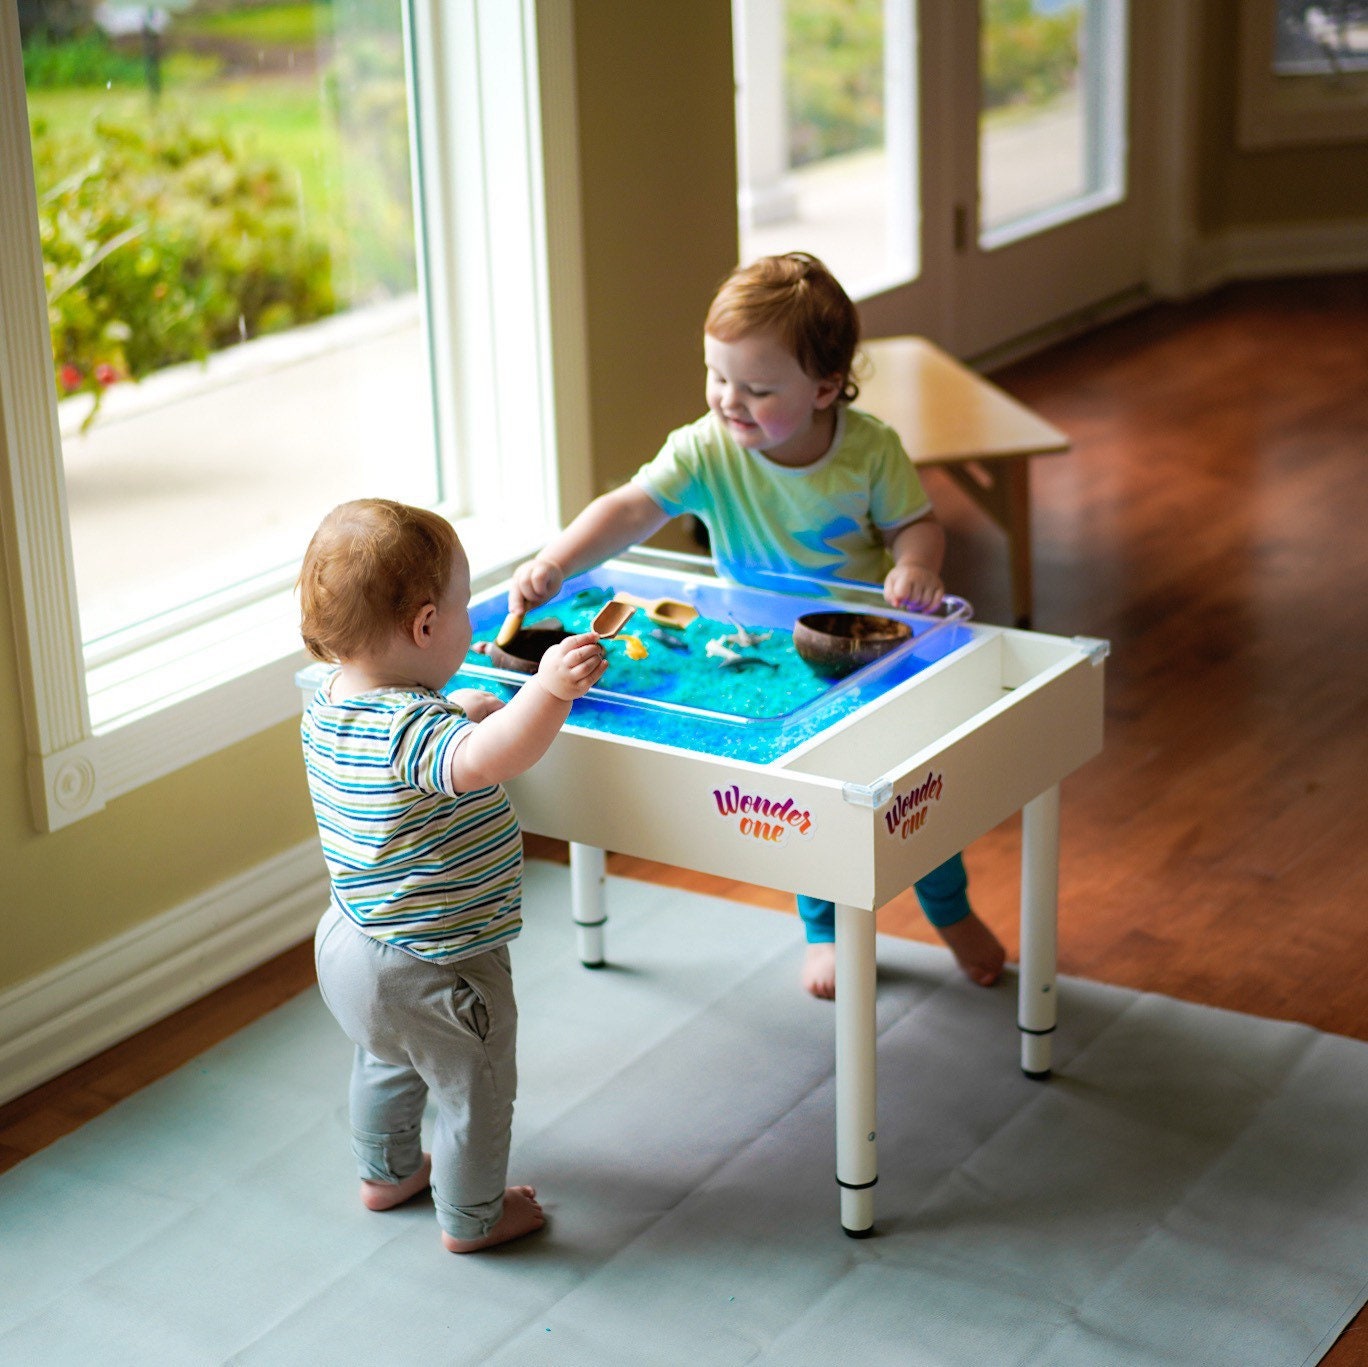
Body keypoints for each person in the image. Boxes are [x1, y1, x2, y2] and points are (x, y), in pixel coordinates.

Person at [508, 252, 1006, 1000]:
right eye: (716, 376)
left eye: (758, 388)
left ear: (825, 388)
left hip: (865, 648)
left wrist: (916, 566)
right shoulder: (707, 447)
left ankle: (950, 909)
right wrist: (557, 560)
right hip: (767, 656)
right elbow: (632, 507)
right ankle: (823, 930)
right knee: (805, 805)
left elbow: (918, 525)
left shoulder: (868, 449)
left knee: (912, 796)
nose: (728, 401)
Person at [298, 498, 607, 1252]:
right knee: (475, 1089)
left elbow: (421, 742)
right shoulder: (419, 731)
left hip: (352, 944)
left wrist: (457, 709)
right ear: (427, 625)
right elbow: (487, 757)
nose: (472, 621)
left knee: (387, 1060)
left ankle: (387, 1172)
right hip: (440, 964)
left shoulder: (333, 698)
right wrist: (549, 690)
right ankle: (475, 1216)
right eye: (466, 607)